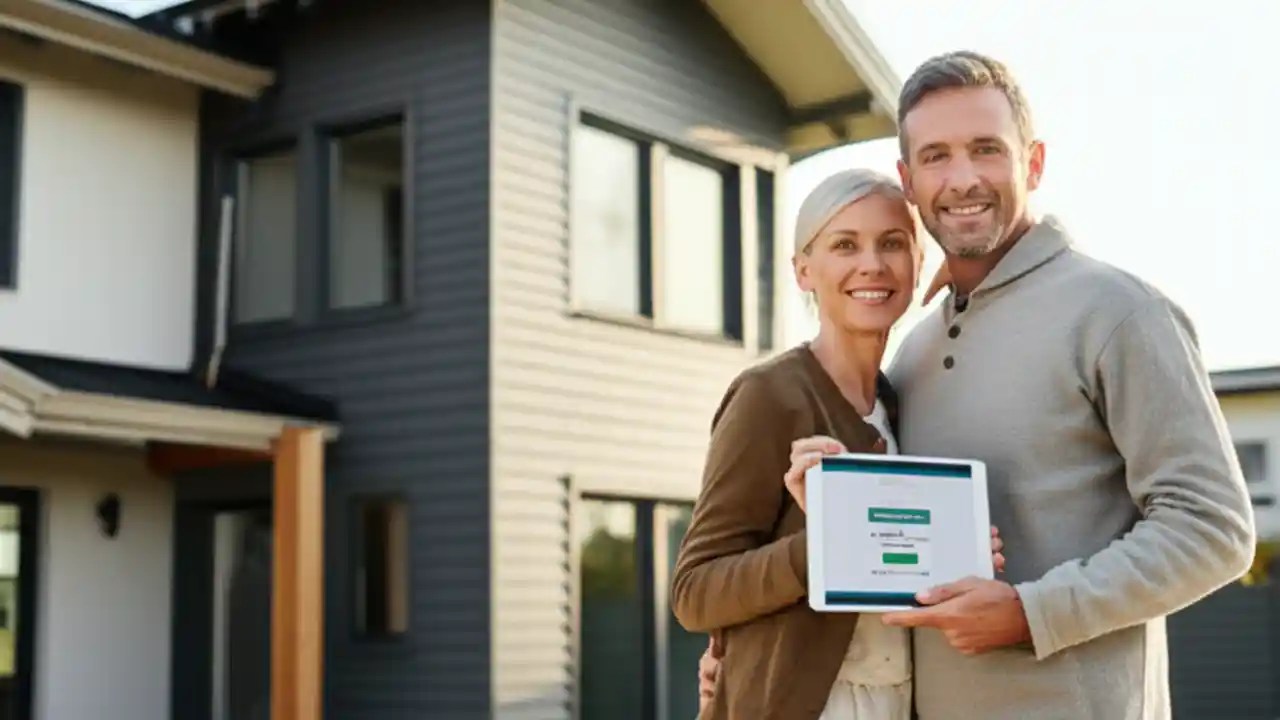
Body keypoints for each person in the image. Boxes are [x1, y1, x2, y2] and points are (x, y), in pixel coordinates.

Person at [697, 50, 1256, 719]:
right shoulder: (913, 355)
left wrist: (1030, 613)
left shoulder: (1118, 313)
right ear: (908, 180)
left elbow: (1214, 529)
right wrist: (753, 650)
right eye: (936, 156)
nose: (962, 179)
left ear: (1034, 163)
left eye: (986, 149)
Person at [669, 167, 1005, 720]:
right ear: (804, 270)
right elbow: (695, 591)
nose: (871, 264)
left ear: (919, 265)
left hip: (899, 700)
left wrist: (957, 552)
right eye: (845, 244)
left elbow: (894, 559)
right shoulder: (769, 396)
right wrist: (825, 544)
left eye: (892, 244)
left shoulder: (902, 402)